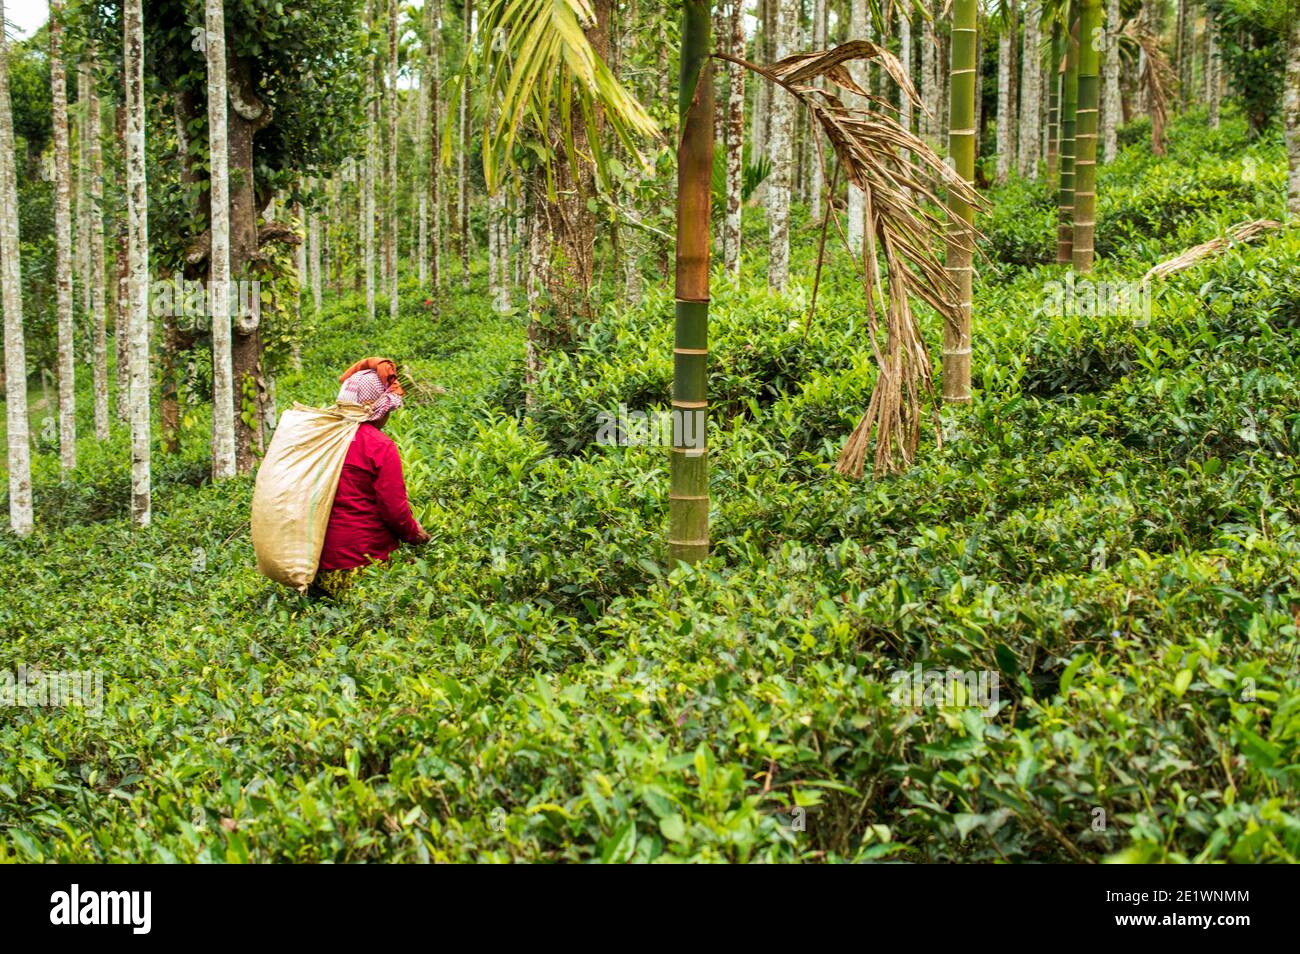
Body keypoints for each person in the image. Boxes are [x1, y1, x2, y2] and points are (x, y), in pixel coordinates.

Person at [312, 356, 431, 598]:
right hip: (364, 564)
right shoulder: (379, 445)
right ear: (378, 409)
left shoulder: (323, 438)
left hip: (316, 565)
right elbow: (394, 510)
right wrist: (414, 534)